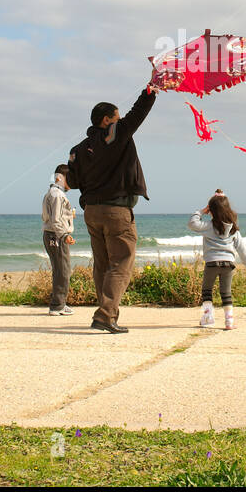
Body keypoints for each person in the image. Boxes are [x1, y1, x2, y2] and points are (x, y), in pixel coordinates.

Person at [68, 73, 161, 335]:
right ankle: (106, 315)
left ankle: (107, 314)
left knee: (103, 264)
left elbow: (73, 181)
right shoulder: (113, 135)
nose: (120, 121)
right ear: (107, 120)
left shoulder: (77, 149)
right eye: (116, 118)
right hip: (116, 210)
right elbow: (137, 114)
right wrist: (151, 89)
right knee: (121, 262)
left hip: (92, 212)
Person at [189, 190, 246, 329]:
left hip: (212, 263)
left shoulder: (208, 227)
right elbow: (242, 248)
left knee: (207, 290)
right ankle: (229, 321)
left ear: (210, 211)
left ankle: (207, 317)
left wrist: (201, 211)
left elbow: (192, 224)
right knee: (226, 292)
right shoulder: (233, 229)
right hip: (228, 264)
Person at [42, 164, 77, 315]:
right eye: (70, 179)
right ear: (59, 178)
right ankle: (57, 305)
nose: (72, 183)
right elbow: (55, 220)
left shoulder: (53, 193)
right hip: (55, 235)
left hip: (52, 234)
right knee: (63, 270)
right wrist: (64, 235)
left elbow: (54, 216)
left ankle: (58, 302)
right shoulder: (57, 195)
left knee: (59, 269)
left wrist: (69, 216)